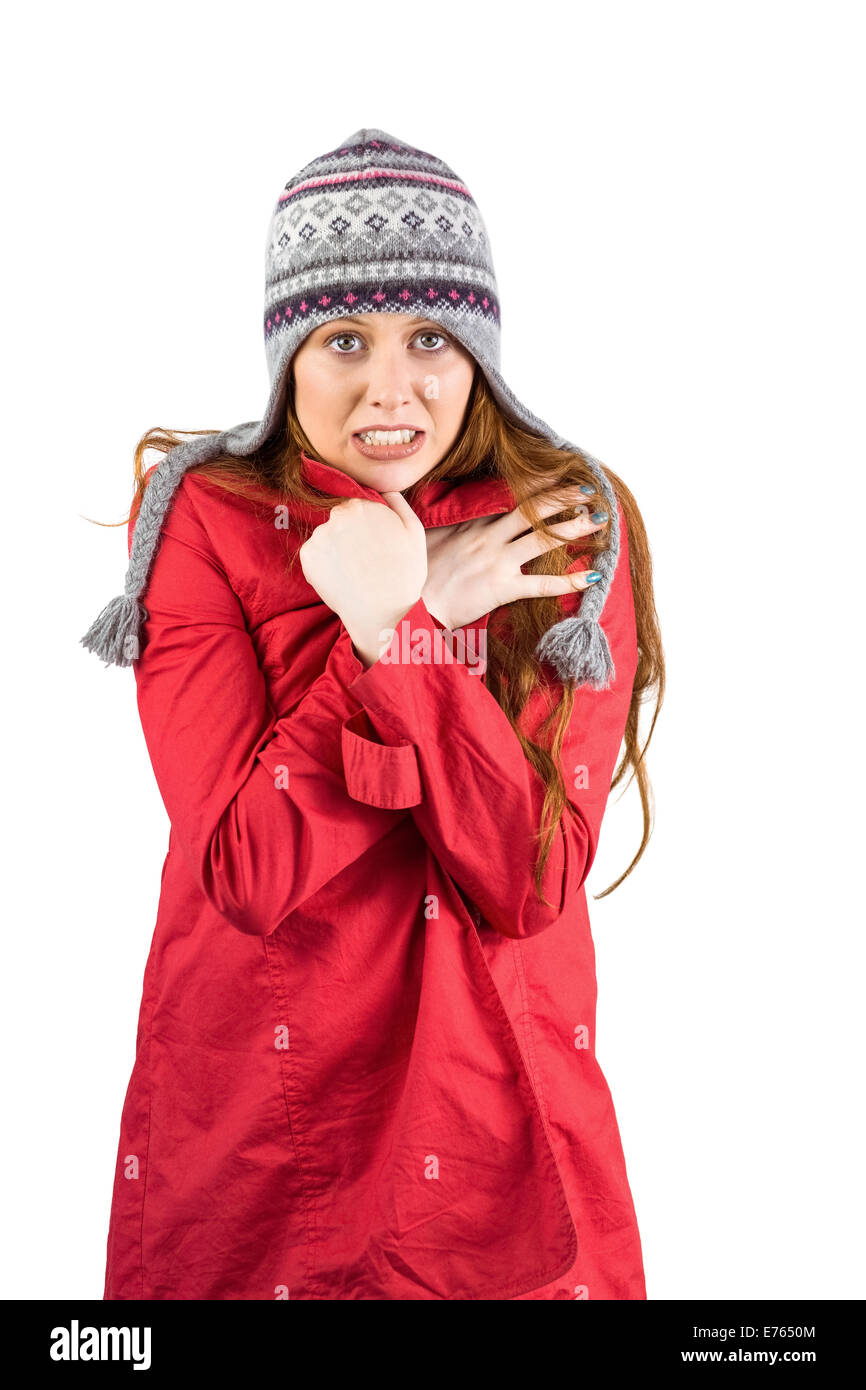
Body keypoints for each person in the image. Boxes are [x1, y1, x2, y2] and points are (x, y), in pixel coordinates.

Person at [82, 127, 664, 1301]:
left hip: (494, 1118)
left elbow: (527, 875)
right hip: (261, 1132)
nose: (388, 388)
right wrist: (399, 631)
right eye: (343, 339)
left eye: (431, 339)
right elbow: (245, 866)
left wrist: (397, 629)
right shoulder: (201, 517)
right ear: (285, 353)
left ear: (482, 353)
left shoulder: (562, 534)